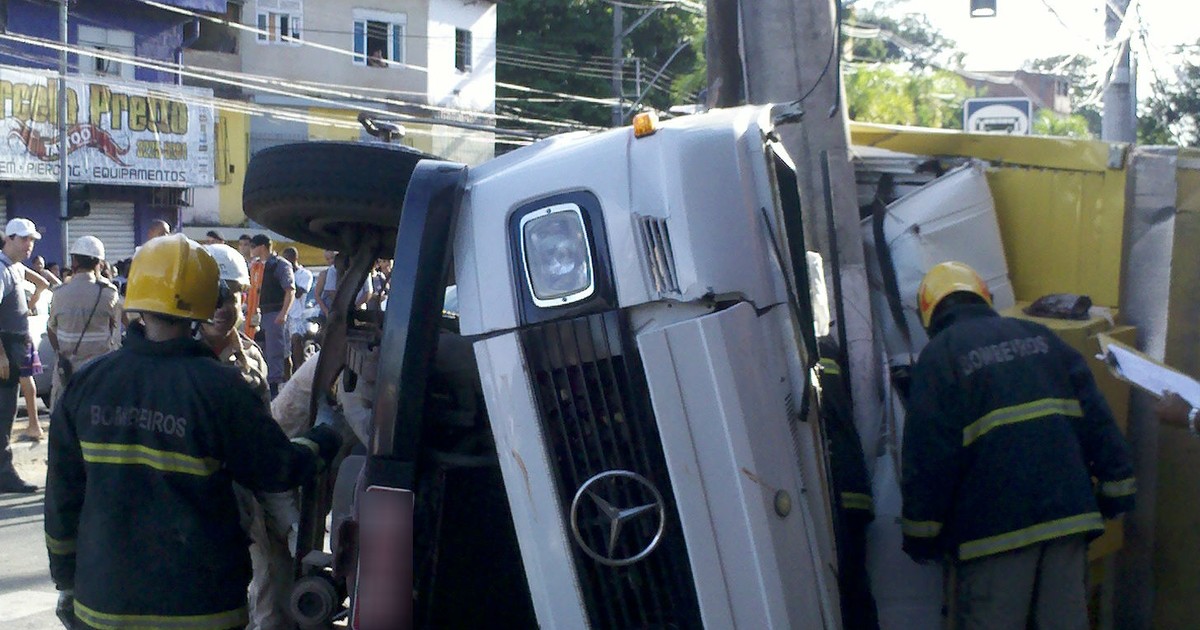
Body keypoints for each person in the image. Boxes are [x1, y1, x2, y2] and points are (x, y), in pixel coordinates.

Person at [44, 234, 342, 630]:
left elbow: (62, 498)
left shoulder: (87, 385)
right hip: (202, 609)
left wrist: (66, 582)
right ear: (209, 299)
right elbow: (277, 469)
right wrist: (325, 436)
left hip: (103, 607)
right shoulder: (222, 388)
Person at [900, 261, 1136, 629]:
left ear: (928, 316)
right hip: (1067, 520)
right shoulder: (1041, 337)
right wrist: (1115, 491)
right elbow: (1097, 419)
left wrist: (922, 535)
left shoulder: (940, 357)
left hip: (991, 535)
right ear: (985, 297)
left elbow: (929, 457)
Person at [817, 337, 879, 630]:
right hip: (853, 487)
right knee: (856, 592)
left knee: (838, 596)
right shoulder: (827, 348)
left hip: (832, 490)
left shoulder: (787, 354)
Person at [46, 236, 121, 411]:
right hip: (99, 374)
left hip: (67, 374)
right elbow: (113, 328)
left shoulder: (59, 293)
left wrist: (62, 353)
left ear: (74, 262)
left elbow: (51, 330)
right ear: (99, 263)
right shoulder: (109, 293)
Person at [0, 218, 41, 491]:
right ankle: (4, 473)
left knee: (8, 410)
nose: (30, 244)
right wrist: (1, 355)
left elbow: (44, 283)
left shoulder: (14, 268)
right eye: (25, 239)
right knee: (3, 411)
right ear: (10, 239)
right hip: (5, 348)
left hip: (14, 347)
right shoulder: (2, 269)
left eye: (32, 239)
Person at [250, 234, 294, 395]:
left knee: (275, 351)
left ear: (262, 247)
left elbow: (290, 291)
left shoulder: (280, 265)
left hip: (274, 312)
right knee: (256, 349)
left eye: (253, 246)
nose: (250, 250)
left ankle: (274, 388)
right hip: (257, 313)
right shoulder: (255, 265)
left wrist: (283, 314)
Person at [282, 247, 313, 380]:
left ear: (295, 258)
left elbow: (299, 292)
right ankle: (287, 378)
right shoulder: (282, 273)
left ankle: (299, 372)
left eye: (288, 259)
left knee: (296, 341)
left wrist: (288, 279)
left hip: (297, 315)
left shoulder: (305, 274)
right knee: (284, 350)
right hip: (283, 313)